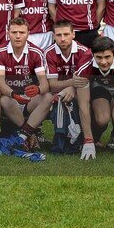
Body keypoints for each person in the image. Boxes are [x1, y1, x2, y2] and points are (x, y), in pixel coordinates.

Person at [0, 17, 54, 152]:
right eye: (14, 32)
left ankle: (22, 137)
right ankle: (31, 134)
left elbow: (45, 84)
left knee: (48, 97)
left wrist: (38, 89)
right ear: (7, 33)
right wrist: (13, 94)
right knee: (4, 99)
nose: (18, 36)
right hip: (11, 99)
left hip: (29, 100)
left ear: (28, 33)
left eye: (22, 32)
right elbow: (0, 83)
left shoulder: (36, 52)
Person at [43, 20, 95, 158]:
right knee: (60, 99)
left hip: (82, 92)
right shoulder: (49, 53)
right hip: (58, 93)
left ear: (73, 34)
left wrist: (72, 88)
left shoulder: (84, 51)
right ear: (53, 36)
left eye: (66, 34)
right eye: (59, 35)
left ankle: (67, 141)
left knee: (69, 99)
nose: (62, 38)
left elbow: (85, 81)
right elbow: (52, 84)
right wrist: (71, 83)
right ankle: (65, 139)